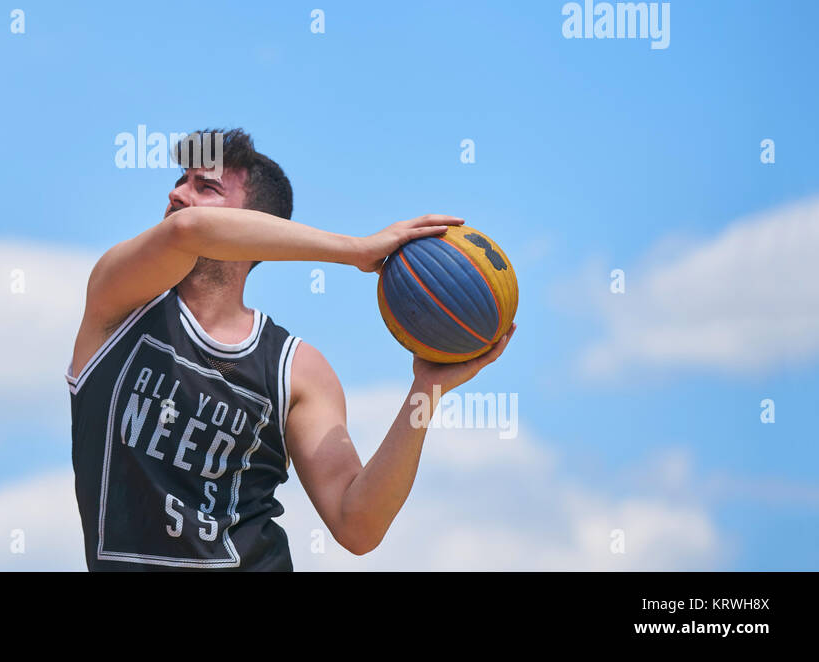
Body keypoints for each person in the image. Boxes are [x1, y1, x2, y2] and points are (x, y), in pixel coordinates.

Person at [67, 129, 515, 570]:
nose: (178, 193)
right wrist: (356, 250)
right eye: (182, 180)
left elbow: (357, 525)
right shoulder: (118, 303)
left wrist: (427, 390)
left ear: (259, 226)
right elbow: (187, 232)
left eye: (206, 186)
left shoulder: (297, 369)